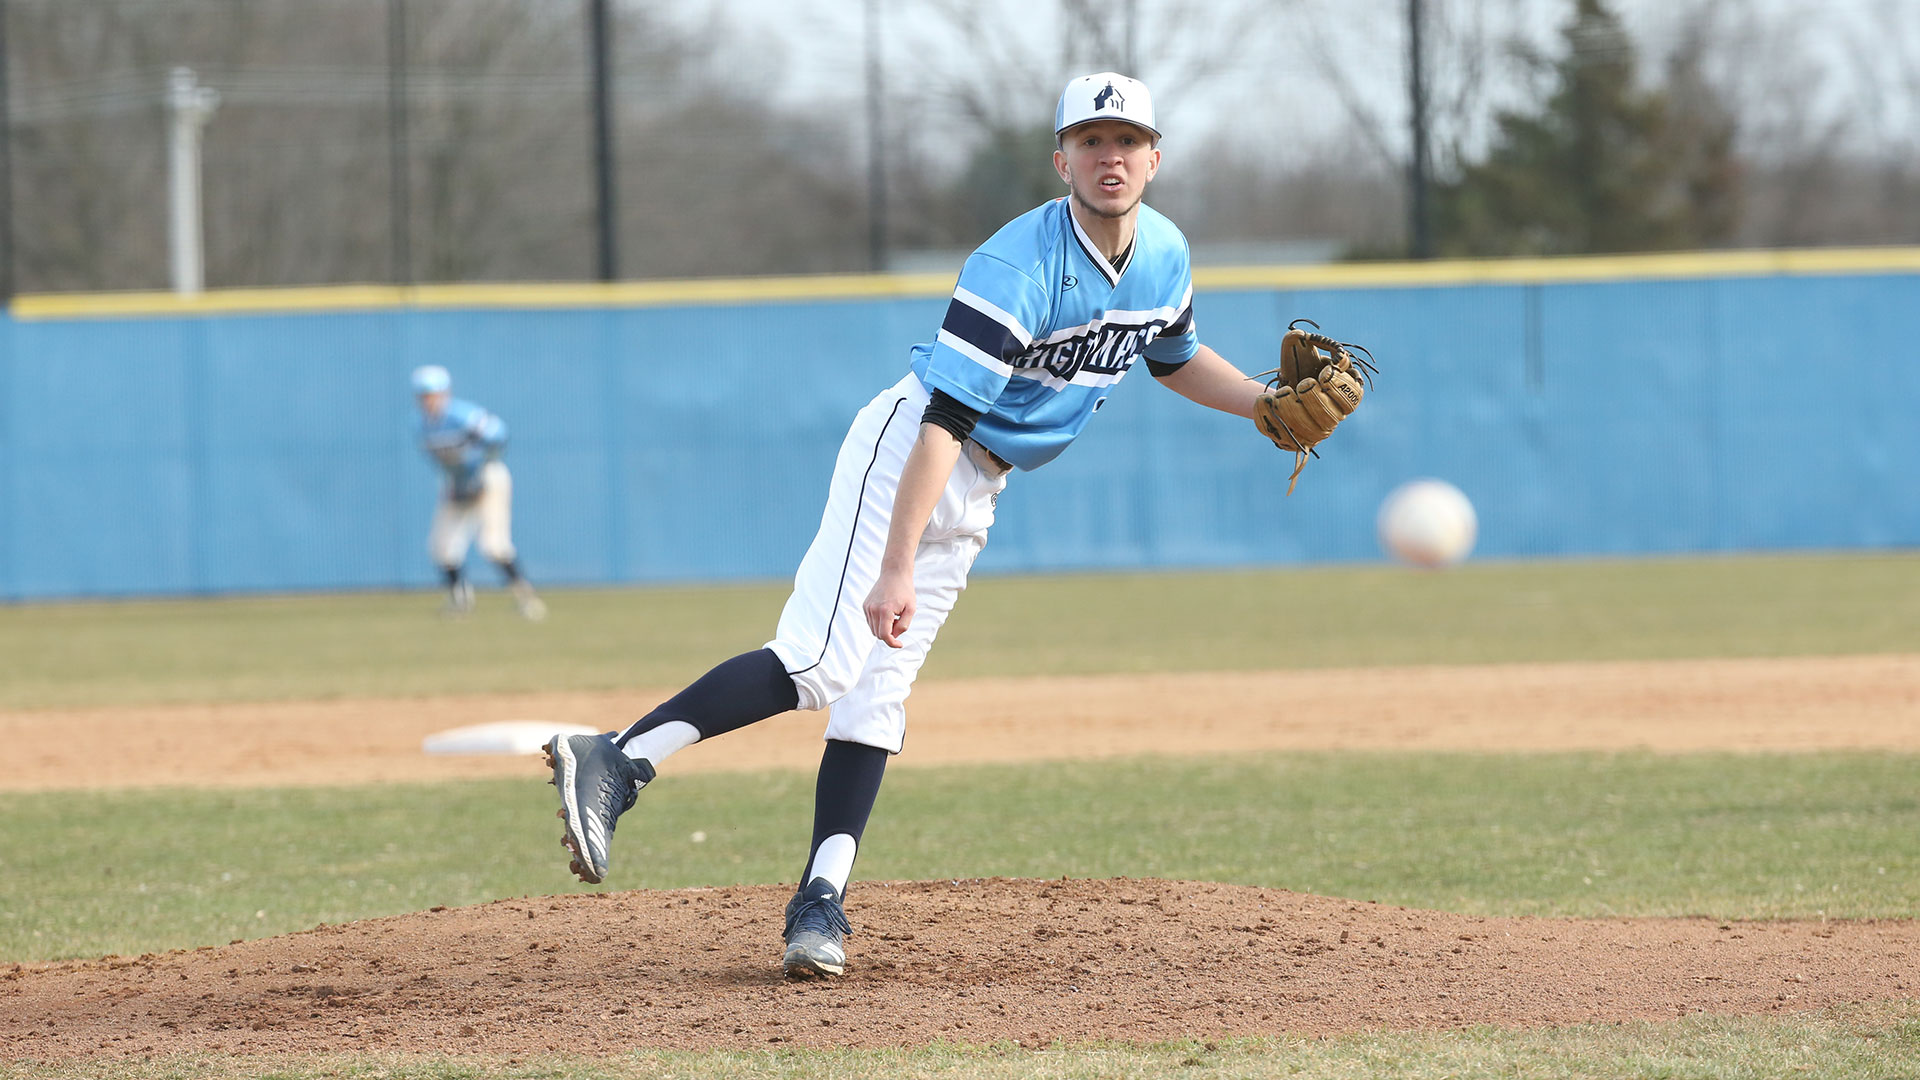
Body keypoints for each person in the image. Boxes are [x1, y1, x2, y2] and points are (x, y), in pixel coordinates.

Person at [543, 72, 1366, 978]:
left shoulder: (1165, 253)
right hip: (911, 453)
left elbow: (1172, 356)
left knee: (877, 697)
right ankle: (617, 757)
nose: (1111, 157)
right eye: (1091, 141)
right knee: (822, 662)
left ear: (1155, 158)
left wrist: (1261, 404)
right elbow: (945, 418)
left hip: (984, 481)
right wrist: (898, 563)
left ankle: (819, 904)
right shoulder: (1018, 265)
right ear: (1061, 160)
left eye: (1127, 141)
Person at [411, 364, 546, 621]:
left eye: (433, 394)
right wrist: (455, 482)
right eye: (423, 395)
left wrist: (479, 472)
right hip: (455, 482)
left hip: (487, 477)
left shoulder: (462, 415)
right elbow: (442, 461)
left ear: (445, 393)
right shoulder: (420, 425)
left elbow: (498, 436)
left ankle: (527, 598)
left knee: (494, 545)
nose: (429, 400)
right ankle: (460, 600)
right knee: (441, 547)